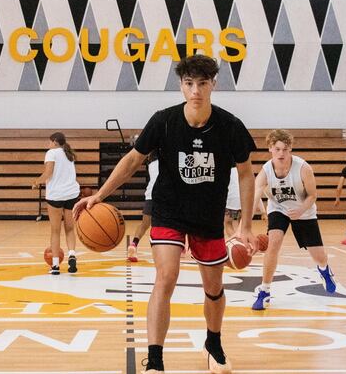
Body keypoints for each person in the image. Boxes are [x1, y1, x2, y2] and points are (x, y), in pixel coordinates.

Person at [74, 54, 257, 374]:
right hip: (168, 210)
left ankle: (213, 343)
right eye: (189, 84)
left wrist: (245, 226)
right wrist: (98, 196)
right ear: (181, 86)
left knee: (213, 288)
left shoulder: (230, 126)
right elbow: (132, 160)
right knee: (166, 277)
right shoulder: (164, 121)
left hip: (208, 216)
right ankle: (155, 359)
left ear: (214, 83)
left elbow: (245, 174)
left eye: (202, 83)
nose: (196, 90)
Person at [252, 130, 337, 311]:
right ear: (270, 149)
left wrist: (301, 209)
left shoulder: (303, 168)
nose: (281, 154)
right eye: (277, 149)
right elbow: (255, 194)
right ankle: (264, 291)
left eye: (285, 149)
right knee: (273, 244)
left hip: (303, 210)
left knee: (318, 256)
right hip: (278, 209)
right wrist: (244, 226)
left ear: (290, 149)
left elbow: (313, 195)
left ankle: (324, 270)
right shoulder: (266, 170)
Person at [33, 132, 80, 275]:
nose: (48, 144)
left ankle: (55, 266)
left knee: (55, 230)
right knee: (70, 228)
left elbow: (48, 173)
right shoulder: (69, 154)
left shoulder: (51, 153)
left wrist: (36, 182)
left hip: (56, 195)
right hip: (72, 193)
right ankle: (72, 255)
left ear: (54, 142)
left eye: (49, 142)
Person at [128, 152, 157, 263]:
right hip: (165, 195)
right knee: (167, 226)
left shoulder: (151, 163)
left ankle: (134, 244)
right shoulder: (169, 160)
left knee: (144, 224)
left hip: (150, 195)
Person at [223, 167, 241, 237]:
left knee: (228, 223)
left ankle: (236, 243)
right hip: (244, 199)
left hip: (232, 198)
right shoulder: (243, 169)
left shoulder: (224, 170)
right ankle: (244, 244)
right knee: (242, 225)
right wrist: (263, 211)